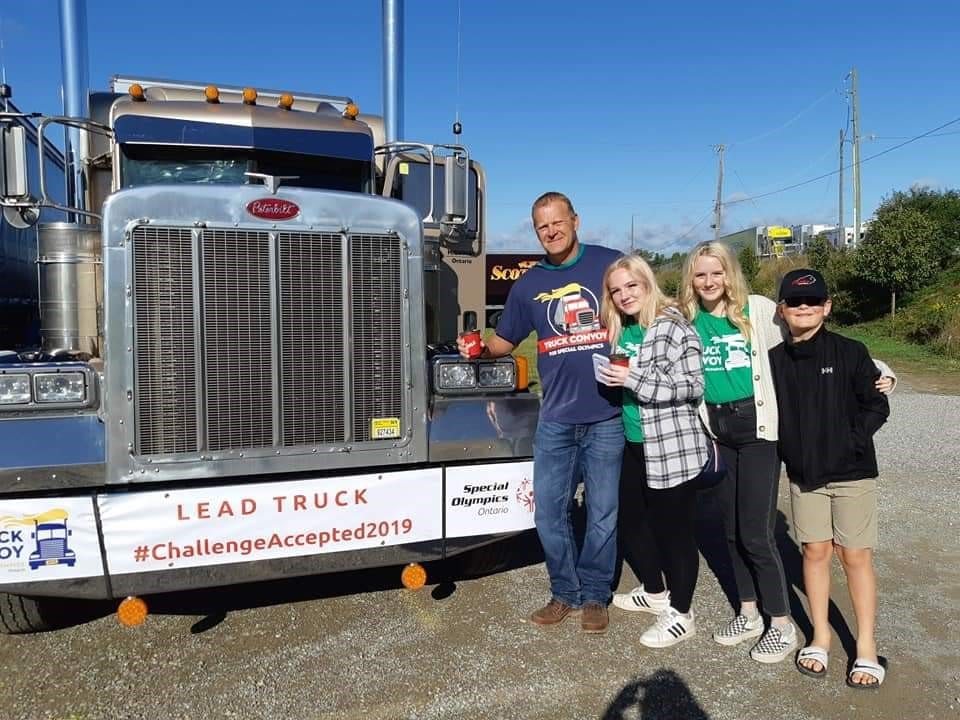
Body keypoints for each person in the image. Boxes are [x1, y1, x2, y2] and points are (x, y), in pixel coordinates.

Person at [677, 242, 896, 664]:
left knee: (757, 531)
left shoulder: (758, 309)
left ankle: (780, 621)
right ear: (690, 279)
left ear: (730, 274)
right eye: (700, 274)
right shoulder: (686, 320)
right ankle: (748, 611)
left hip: (758, 429)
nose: (709, 282)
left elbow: (817, 338)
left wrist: (882, 372)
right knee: (730, 529)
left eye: (717, 272)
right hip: (717, 432)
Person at [458, 191, 623, 634]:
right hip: (557, 418)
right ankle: (564, 593)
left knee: (603, 513)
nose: (551, 232)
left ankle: (595, 595)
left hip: (607, 416)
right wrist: (476, 348)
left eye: (558, 222)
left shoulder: (610, 265)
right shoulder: (529, 285)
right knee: (549, 513)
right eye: (541, 226)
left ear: (575, 220)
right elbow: (503, 343)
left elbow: (645, 309)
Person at [770, 268, 890, 689]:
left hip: (852, 473)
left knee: (854, 555)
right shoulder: (773, 361)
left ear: (827, 307)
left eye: (813, 301)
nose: (804, 308)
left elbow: (877, 405)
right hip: (804, 476)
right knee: (815, 551)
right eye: (795, 302)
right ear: (781, 310)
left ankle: (867, 648)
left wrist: (848, 440)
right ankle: (819, 636)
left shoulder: (851, 351)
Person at [598, 254, 708, 648]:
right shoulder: (621, 328)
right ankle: (656, 592)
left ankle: (682, 613)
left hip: (671, 446)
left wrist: (634, 377)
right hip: (633, 440)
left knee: (674, 532)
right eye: (616, 290)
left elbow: (693, 385)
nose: (625, 295)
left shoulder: (672, 326)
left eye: (632, 286)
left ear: (647, 285)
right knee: (631, 520)